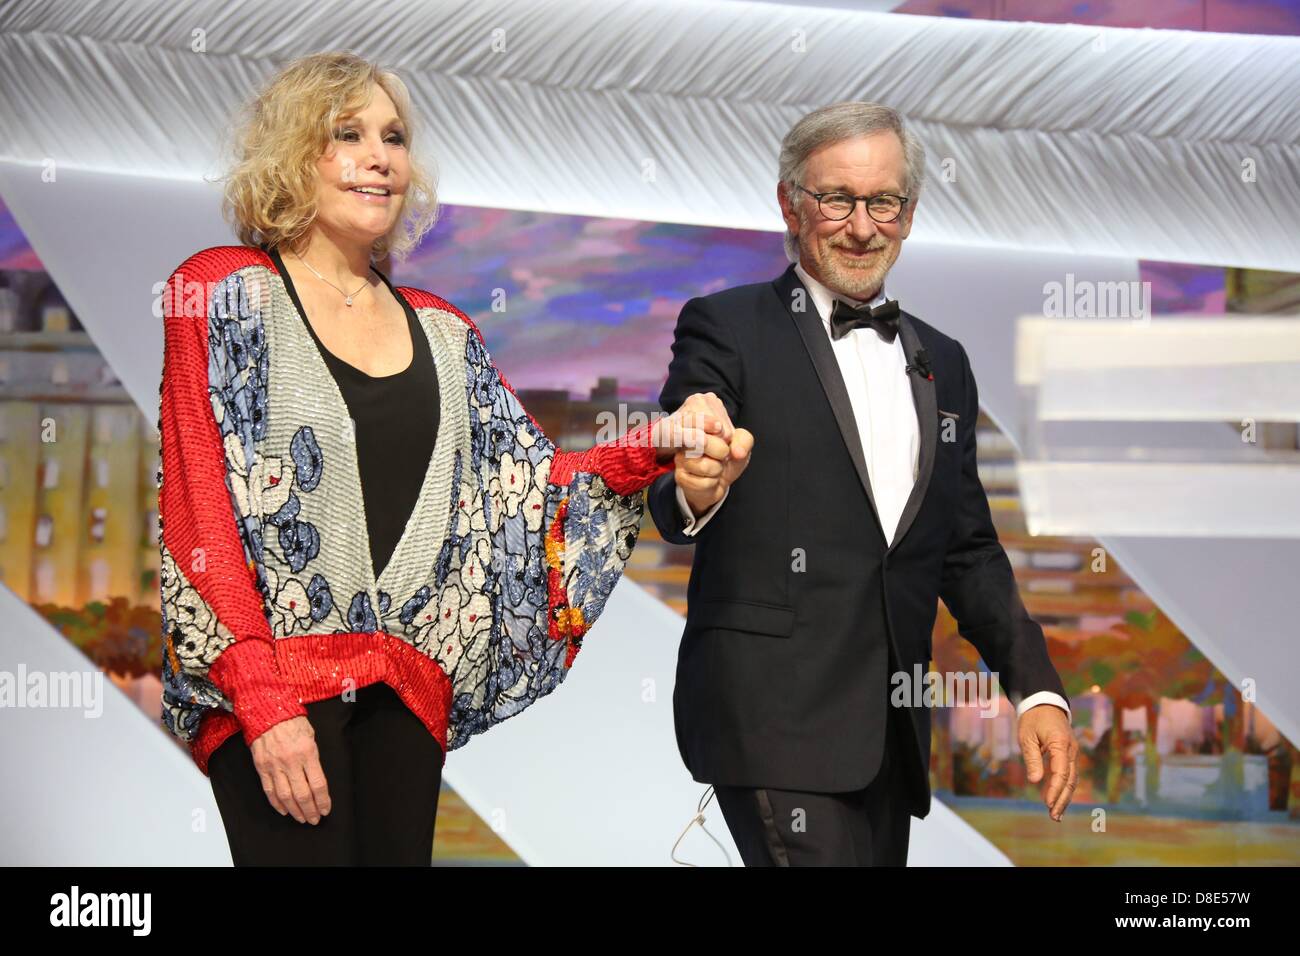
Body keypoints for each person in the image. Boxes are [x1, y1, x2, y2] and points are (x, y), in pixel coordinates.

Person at [156, 51, 721, 865]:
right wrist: (262, 700)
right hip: (274, 688)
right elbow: (198, 508)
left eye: (395, 137)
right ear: (290, 154)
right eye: (347, 134)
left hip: (406, 694)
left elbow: (534, 492)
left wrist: (658, 441)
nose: (380, 157)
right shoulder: (222, 292)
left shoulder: (446, 334)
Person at [648, 101, 1080, 866]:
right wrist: (700, 482)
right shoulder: (724, 326)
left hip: (890, 737)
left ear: (909, 213)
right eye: (837, 199)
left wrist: (1035, 688)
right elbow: (675, 487)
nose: (861, 226)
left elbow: (968, 550)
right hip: (769, 721)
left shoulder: (945, 361)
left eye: (883, 202)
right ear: (790, 203)